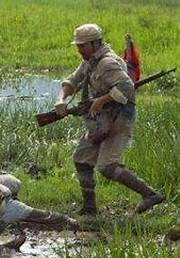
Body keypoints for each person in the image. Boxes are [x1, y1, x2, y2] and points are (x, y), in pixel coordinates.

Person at [54, 24, 165, 215]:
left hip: (119, 118)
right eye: (78, 46)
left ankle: (151, 195)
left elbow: (127, 88)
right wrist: (61, 100)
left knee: (107, 166)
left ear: (95, 43)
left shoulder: (108, 63)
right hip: (99, 120)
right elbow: (72, 81)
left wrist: (102, 100)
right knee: (81, 159)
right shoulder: (90, 61)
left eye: (83, 46)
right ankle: (89, 208)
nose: (79, 50)